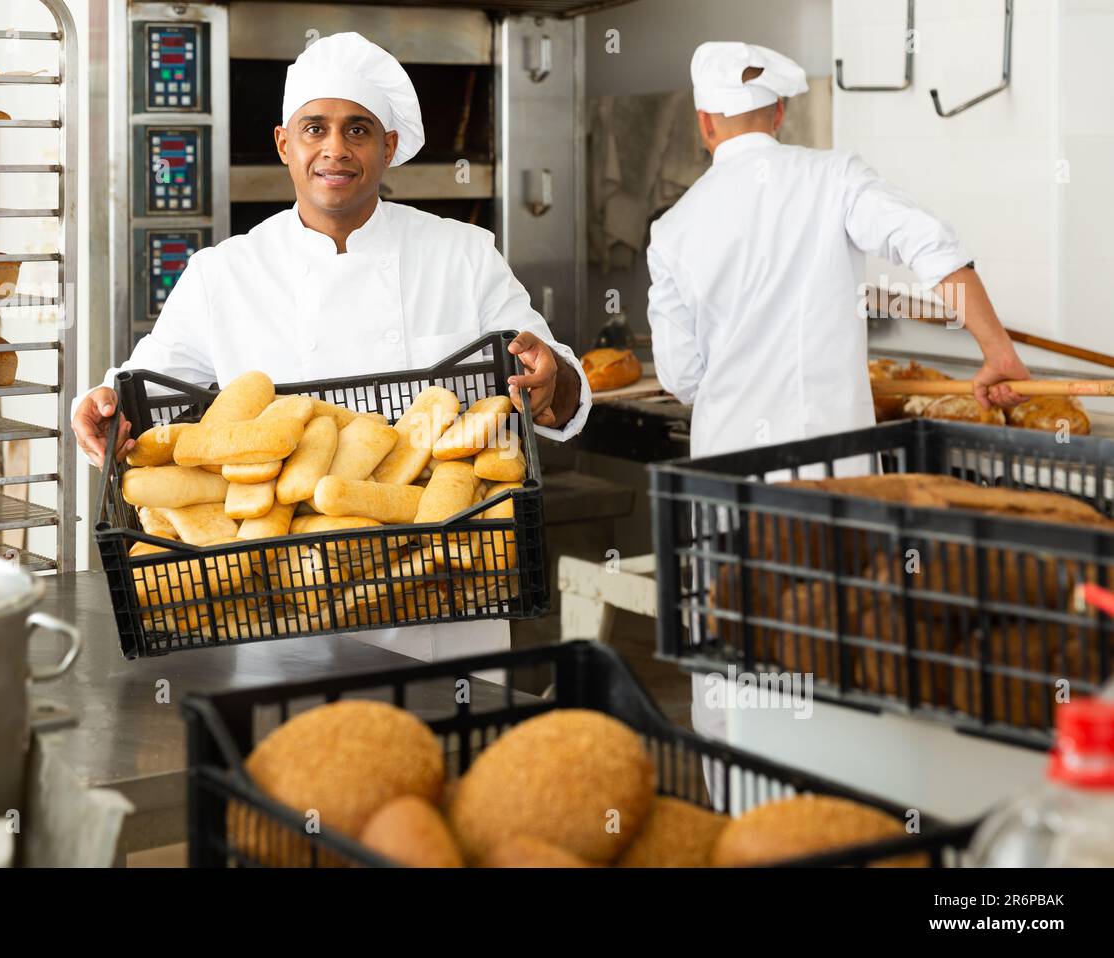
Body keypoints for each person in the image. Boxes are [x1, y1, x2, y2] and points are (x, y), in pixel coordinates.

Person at [73, 32, 590, 663]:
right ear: (284, 144)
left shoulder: (464, 256)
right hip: (278, 619)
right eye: (314, 128)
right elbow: (144, 386)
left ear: (389, 146)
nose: (334, 150)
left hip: (445, 616)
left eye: (358, 130)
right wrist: (104, 404)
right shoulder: (224, 273)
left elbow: (555, 384)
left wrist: (550, 381)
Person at [646, 41, 1030, 742]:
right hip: (837, 480)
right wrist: (996, 350)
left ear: (705, 123)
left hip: (725, 480)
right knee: (839, 646)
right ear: (781, 113)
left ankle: (742, 818)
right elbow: (929, 245)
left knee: (730, 654)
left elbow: (680, 379)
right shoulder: (833, 177)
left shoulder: (672, 230)